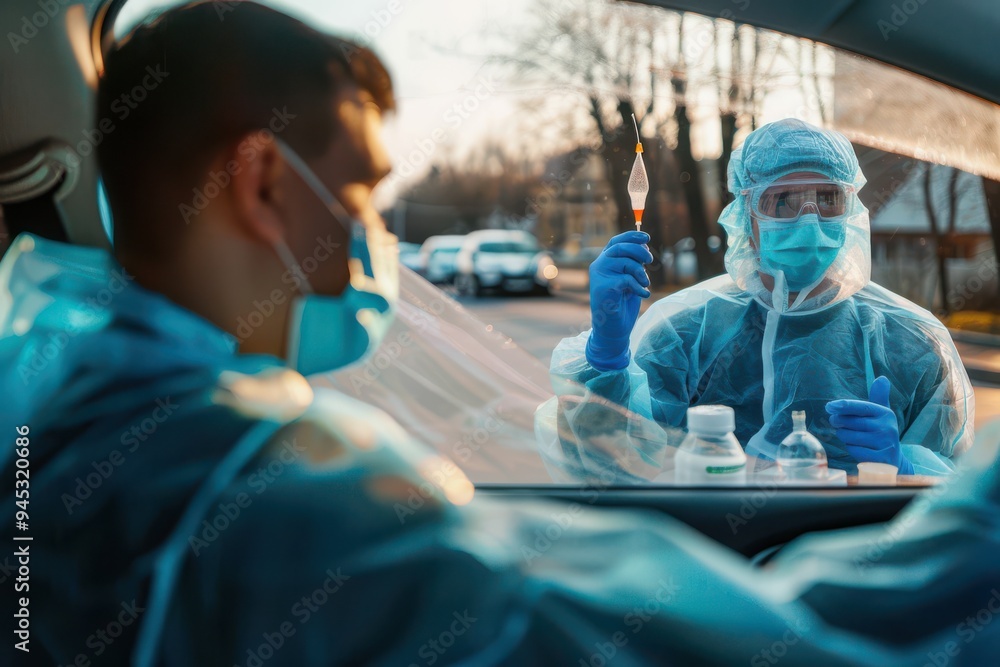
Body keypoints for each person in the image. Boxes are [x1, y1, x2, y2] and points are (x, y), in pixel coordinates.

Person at [1, 4, 997, 666]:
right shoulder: (254, 493)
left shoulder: (89, 416)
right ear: (262, 183)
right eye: (357, 194)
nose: (370, 245)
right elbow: (765, 650)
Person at [546, 119, 975, 479]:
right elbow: (604, 469)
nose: (809, 219)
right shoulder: (684, 336)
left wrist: (902, 467)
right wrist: (606, 356)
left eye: (828, 199)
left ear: (851, 211)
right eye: (783, 201)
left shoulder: (913, 343)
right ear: (745, 215)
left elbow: (957, 515)